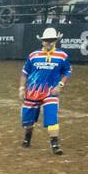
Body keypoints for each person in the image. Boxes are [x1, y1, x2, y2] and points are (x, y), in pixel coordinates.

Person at [20, 27, 71, 155]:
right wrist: (21, 88)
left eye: (52, 40)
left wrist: (60, 85)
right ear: (42, 41)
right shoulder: (33, 56)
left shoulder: (62, 56)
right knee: (28, 121)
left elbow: (67, 71)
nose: (49, 43)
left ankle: (55, 144)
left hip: (50, 92)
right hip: (32, 92)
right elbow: (24, 73)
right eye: (47, 40)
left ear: (56, 41)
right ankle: (27, 138)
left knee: (52, 117)